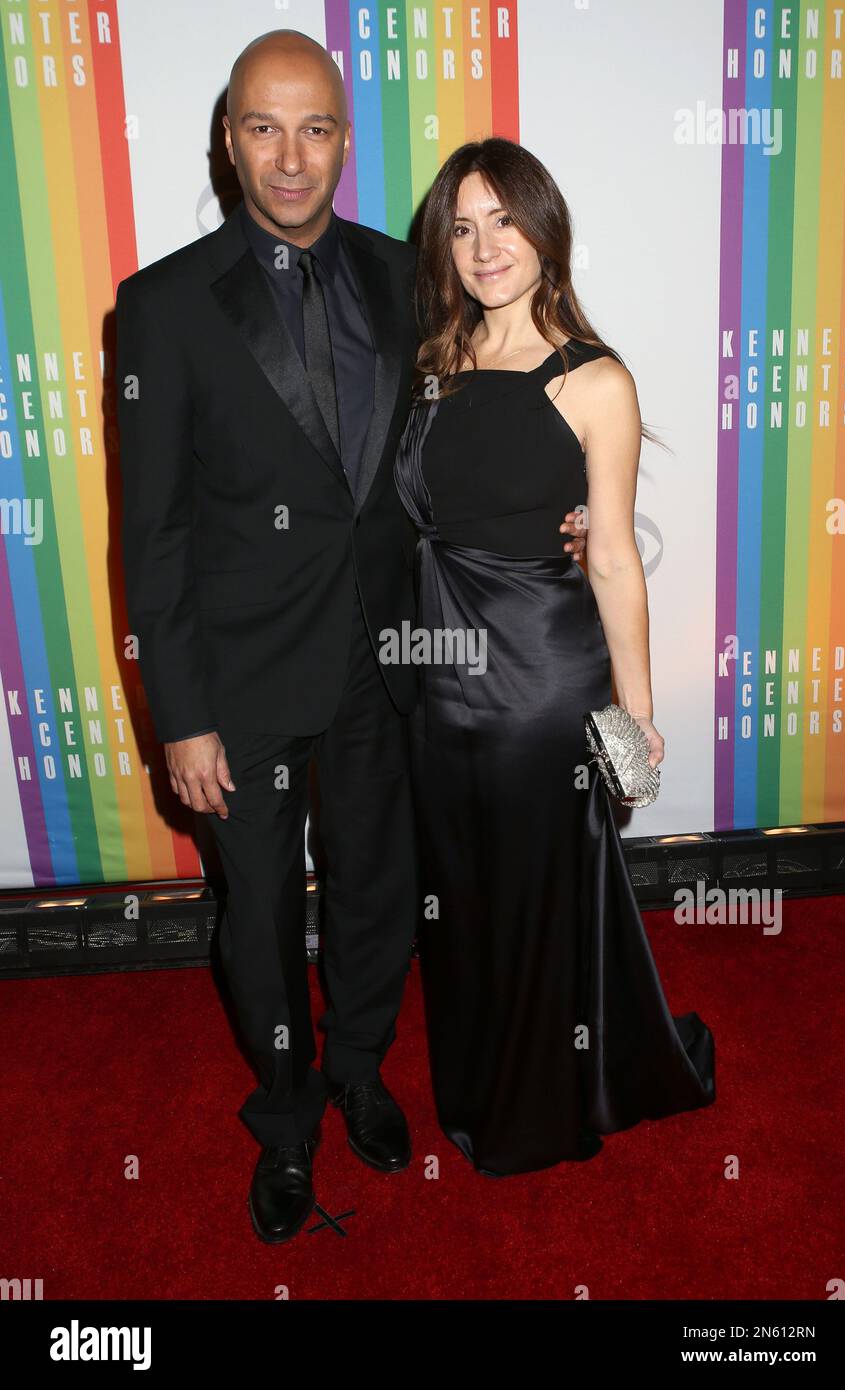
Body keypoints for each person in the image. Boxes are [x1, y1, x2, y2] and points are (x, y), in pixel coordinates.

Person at [115, 30, 593, 1239]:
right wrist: (184, 716)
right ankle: (284, 1121)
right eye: (263, 128)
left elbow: (472, 431)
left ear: (343, 140)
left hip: (391, 667)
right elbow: (151, 536)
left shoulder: (403, 276)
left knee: (382, 894)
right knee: (262, 918)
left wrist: (566, 517)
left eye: (315, 127)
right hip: (241, 684)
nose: (290, 156)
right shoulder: (162, 308)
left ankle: (361, 1073)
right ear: (228, 143)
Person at [395, 138, 716, 1177]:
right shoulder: (433, 364)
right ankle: (483, 1081)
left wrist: (631, 719)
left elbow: (614, 556)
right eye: (462, 225)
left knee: (541, 897)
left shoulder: (593, 381)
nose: (485, 246)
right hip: (436, 687)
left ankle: (538, 1111)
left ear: (546, 229)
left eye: (504, 219)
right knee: (462, 896)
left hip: (539, 683)